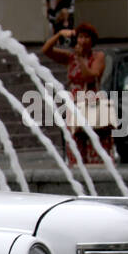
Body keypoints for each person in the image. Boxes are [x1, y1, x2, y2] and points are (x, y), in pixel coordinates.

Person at [42, 21, 114, 165]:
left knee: (96, 145)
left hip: (92, 105)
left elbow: (90, 76)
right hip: (74, 107)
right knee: (75, 146)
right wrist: (59, 34)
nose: (83, 40)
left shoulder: (98, 56)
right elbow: (46, 50)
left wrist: (81, 59)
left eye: (87, 37)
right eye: (80, 37)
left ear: (92, 40)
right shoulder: (70, 57)